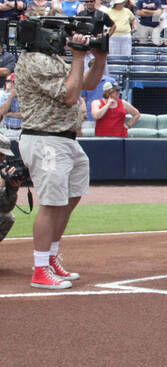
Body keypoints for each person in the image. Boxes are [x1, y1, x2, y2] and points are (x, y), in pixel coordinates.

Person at [14, 22, 106, 288]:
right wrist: (78, 57)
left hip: (64, 138)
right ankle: (40, 269)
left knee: (70, 197)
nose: (64, 38)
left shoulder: (52, 59)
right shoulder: (34, 61)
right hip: (45, 138)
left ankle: (51, 257)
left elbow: (84, 84)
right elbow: (69, 96)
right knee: (52, 203)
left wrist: (97, 60)